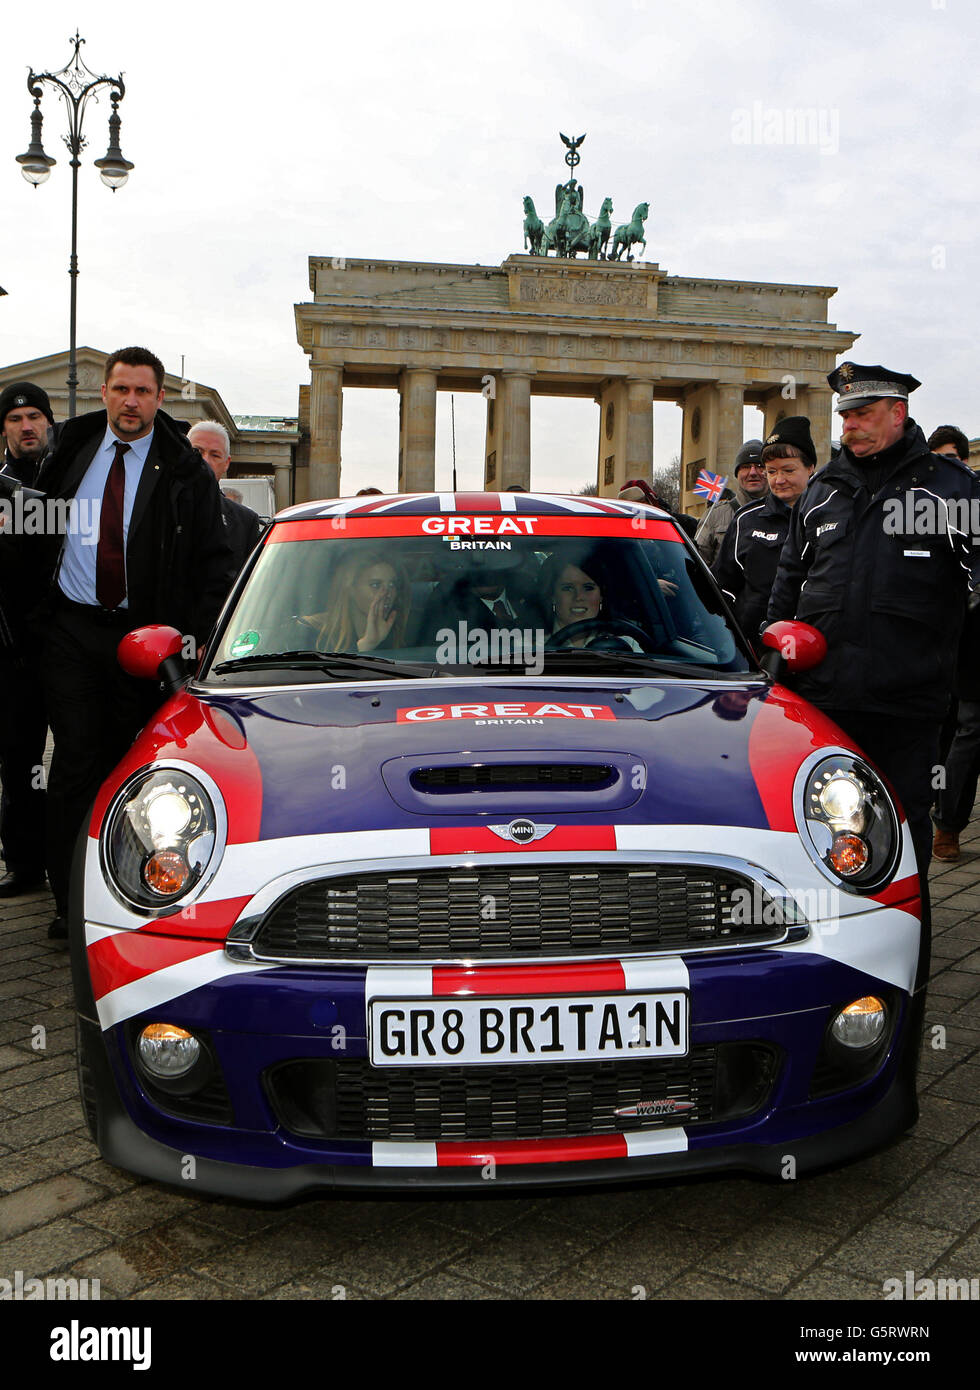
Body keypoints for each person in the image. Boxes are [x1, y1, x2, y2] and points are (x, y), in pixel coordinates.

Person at [30, 346, 235, 939]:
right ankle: (70, 904)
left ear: (159, 398)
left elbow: (213, 565)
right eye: (120, 389)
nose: (130, 401)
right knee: (73, 762)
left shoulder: (183, 468)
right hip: (70, 630)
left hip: (144, 639)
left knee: (135, 768)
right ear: (104, 392)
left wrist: (191, 641)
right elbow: (33, 533)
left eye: (142, 392)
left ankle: (137, 891)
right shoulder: (69, 446)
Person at [765, 362, 980, 908]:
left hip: (906, 704)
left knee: (904, 830)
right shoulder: (822, 493)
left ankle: (907, 937)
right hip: (822, 699)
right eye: (845, 416)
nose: (850, 427)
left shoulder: (952, 492)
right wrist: (770, 653)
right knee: (824, 825)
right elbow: (788, 584)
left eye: (862, 414)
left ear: (897, 413)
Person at [0, 383, 55, 896]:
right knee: (19, 760)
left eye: (35, 415)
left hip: (64, 644)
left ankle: (67, 869)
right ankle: (23, 862)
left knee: (74, 761)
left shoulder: (70, 480)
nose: (26, 425)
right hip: (12, 648)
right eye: (16, 418)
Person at [712, 417, 816, 644]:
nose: (779, 480)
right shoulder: (745, 520)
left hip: (815, 644)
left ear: (810, 467)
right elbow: (723, 584)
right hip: (754, 646)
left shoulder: (831, 514)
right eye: (771, 471)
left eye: (788, 470)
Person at [187, 421, 261, 572]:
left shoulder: (245, 522)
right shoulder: (155, 506)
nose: (205, 461)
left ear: (226, 463)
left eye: (215, 455)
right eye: (197, 451)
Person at [302, 548, 408, 652]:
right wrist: (366, 645)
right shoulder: (314, 633)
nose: (387, 594)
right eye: (375, 585)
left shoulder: (396, 633)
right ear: (351, 589)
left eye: (391, 584)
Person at [540, 550, 642, 650]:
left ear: (601, 596)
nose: (578, 597)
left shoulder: (626, 645)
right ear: (552, 596)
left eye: (588, 588)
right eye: (568, 588)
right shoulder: (530, 645)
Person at [696, 440, 767, 566]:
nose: (753, 472)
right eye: (746, 467)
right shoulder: (714, 515)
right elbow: (698, 564)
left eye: (760, 466)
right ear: (737, 473)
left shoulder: (787, 513)